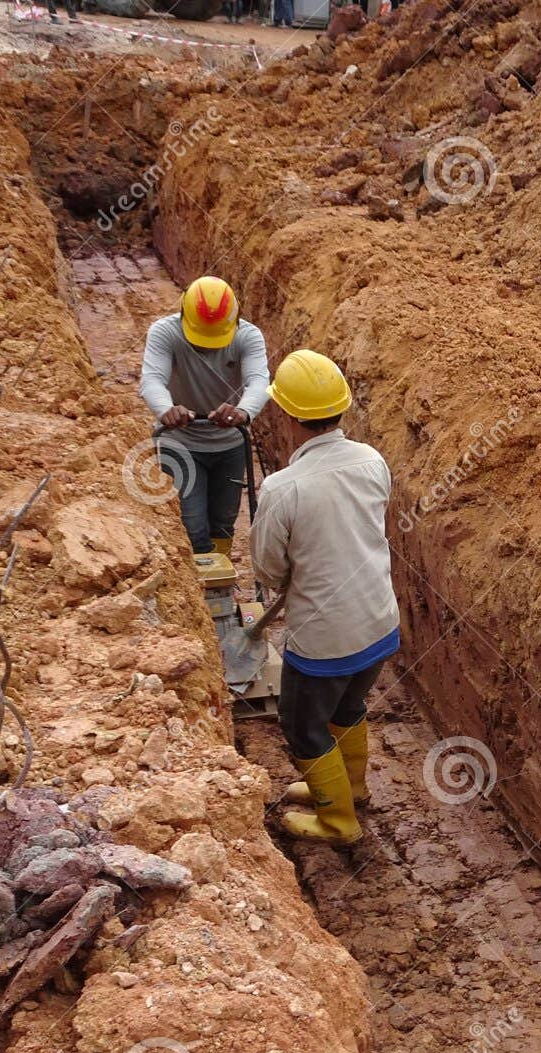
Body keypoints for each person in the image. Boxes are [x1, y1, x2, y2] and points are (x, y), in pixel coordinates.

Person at [251, 350, 399, 845]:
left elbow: (269, 569)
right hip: (379, 622)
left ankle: (338, 823)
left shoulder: (281, 488)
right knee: (349, 705)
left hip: (324, 638)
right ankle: (350, 789)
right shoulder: (372, 461)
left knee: (301, 726)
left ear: (288, 414)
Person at [138, 277, 270, 556]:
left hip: (230, 445)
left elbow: (258, 382)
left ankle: (218, 581)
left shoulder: (248, 336)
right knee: (192, 525)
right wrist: (167, 410)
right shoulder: (165, 333)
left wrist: (242, 412)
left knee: (223, 523)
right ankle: (198, 588)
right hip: (182, 444)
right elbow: (152, 381)